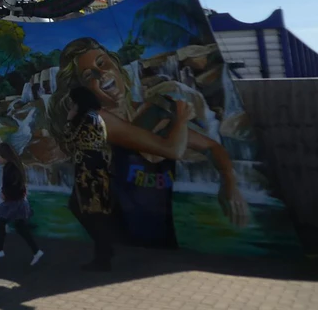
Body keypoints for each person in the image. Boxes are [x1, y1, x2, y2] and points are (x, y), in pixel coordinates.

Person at [46, 37, 232, 250]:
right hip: (126, 247)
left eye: (102, 63)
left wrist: (229, 180)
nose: (101, 74)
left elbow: (213, 147)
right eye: (89, 75)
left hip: (162, 240)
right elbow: (172, 150)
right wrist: (180, 119)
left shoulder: (151, 112)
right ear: (85, 89)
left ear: (116, 64)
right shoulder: (100, 120)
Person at [65, 86, 117, 271]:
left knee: (87, 211)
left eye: (73, 101)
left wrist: (70, 120)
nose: (71, 104)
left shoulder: (85, 118)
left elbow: (69, 140)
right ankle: (104, 251)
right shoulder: (96, 117)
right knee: (93, 213)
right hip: (96, 169)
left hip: (89, 171)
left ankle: (104, 254)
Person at [0, 142, 45, 266]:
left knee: (3, 223)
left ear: (4, 155)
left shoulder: (10, 168)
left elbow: (14, 186)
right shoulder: (12, 166)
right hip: (17, 201)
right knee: (19, 226)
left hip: (14, 202)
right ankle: (36, 251)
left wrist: (5, 194)